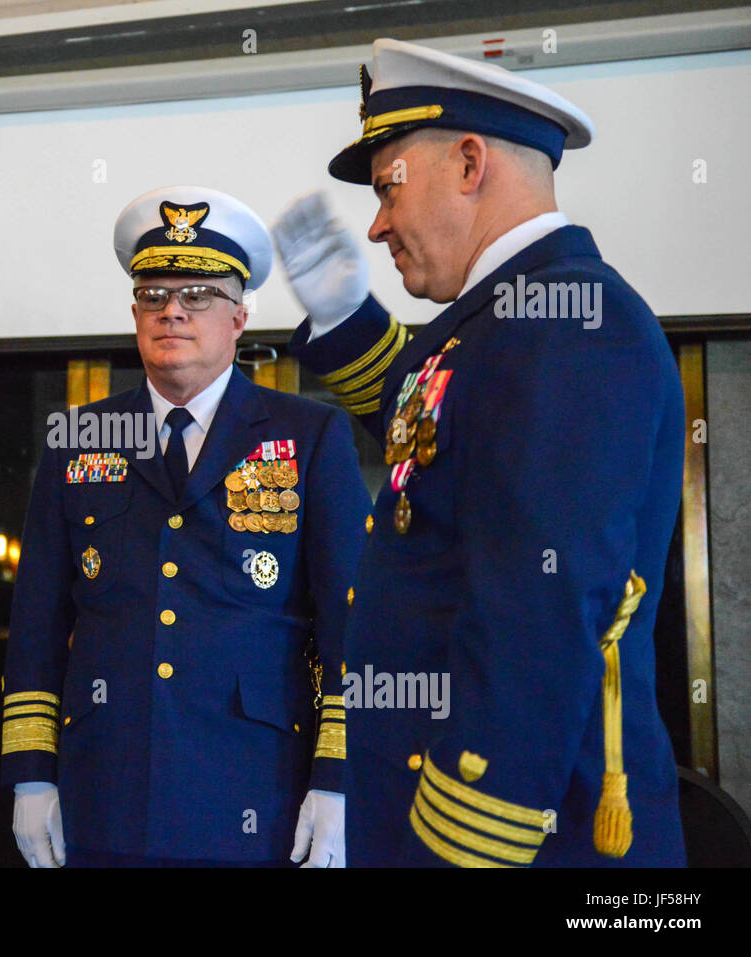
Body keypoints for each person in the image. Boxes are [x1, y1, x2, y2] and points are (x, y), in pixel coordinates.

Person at [274, 38, 686, 866]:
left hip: (507, 830)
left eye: (389, 186)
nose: (378, 222)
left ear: (469, 163)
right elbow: (431, 429)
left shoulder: (570, 322)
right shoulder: (509, 319)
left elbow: (545, 596)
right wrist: (348, 317)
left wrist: (469, 828)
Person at [1, 186, 370, 866]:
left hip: (256, 789)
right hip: (103, 786)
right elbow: (37, 623)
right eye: (152, 293)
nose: (171, 310)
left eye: (197, 293)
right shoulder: (79, 437)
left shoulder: (309, 435)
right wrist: (30, 769)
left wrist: (338, 780)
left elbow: (355, 621)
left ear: (239, 315)